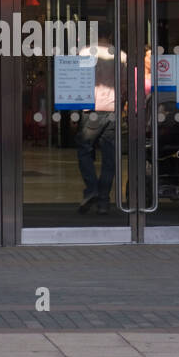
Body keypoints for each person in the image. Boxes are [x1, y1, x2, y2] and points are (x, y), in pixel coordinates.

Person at [77, 26, 123, 215]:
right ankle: (104, 201)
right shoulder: (121, 55)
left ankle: (92, 189)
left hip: (92, 109)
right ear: (110, 34)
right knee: (109, 156)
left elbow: (79, 80)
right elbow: (124, 85)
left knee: (84, 150)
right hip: (112, 109)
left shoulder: (85, 52)